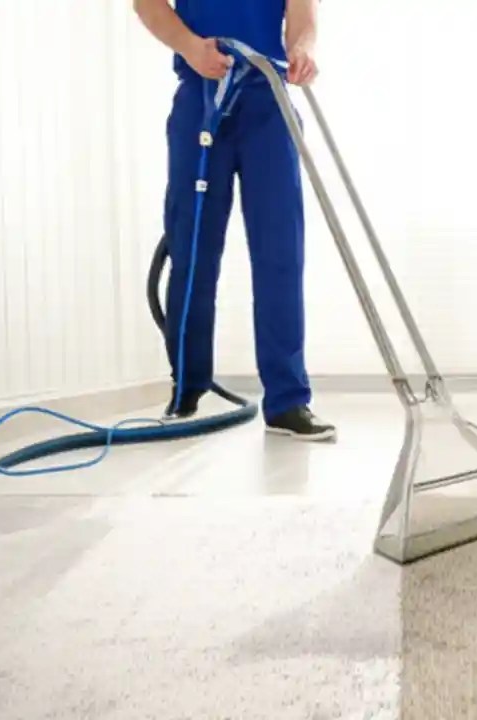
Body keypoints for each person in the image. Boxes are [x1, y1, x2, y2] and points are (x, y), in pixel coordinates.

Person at [134, 0, 335, 441]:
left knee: (281, 252)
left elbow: (302, 13)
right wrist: (189, 47)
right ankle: (188, 388)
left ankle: (288, 401)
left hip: (270, 100)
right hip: (202, 94)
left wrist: (302, 48)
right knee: (193, 247)